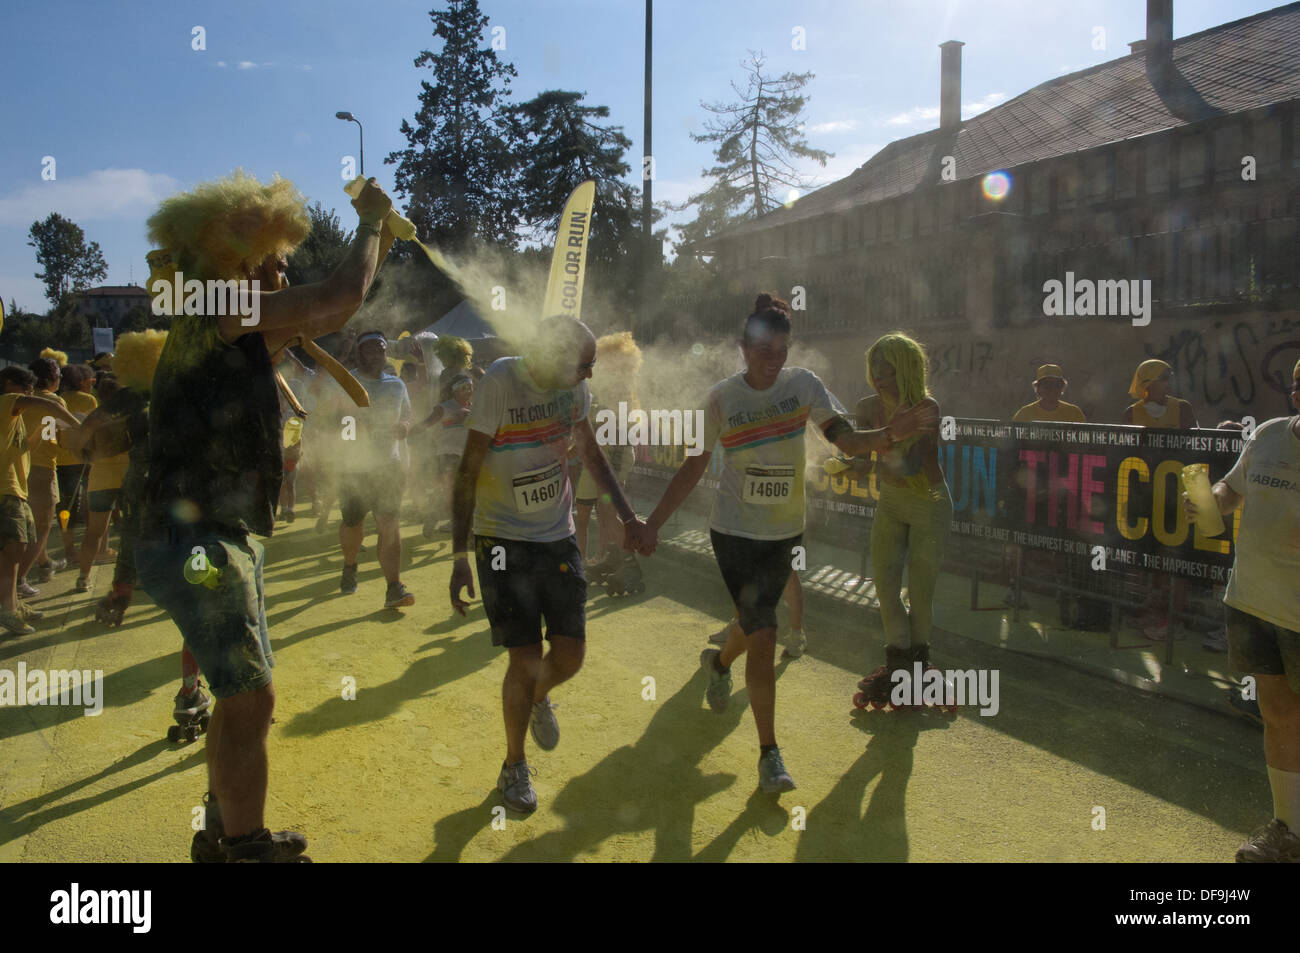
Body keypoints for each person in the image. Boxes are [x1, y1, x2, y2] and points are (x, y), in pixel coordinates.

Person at [134, 170, 396, 862]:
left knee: (235, 693)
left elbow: (314, 318)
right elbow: (340, 299)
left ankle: (224, 826)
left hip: (201, 534)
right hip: (201, 536)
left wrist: (371, 251)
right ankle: (245, 848)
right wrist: (372, 223)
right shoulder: (222, 303)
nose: (286, 270)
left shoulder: (217, 319)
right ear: (240, 261)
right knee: (251, 698)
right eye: (277, 259)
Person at [640, 308, 936, 793]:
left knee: (752, 625)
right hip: (734, 532)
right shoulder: (721, 398)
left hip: (783, 534)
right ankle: (769, 754)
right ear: (743, 350)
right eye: (763, 353)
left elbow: (845, 441)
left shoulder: (803, 385)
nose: (774, 362)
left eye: (781, 352)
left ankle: (716, 664)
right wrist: (651, 524)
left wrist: (888, 435)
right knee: (764, 631)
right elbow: (694, 466)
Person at [449, 314, 649, 815]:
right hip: (502, 542)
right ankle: (514, 765)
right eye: (583, 366)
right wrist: (458, 556)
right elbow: (467, 470)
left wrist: (628, 515)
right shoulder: (499, 382)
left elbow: (592, 452)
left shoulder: (573, 392)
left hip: (557, 538)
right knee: (524, 659)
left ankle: (539, 696)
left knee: (570, 656)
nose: (588, 377)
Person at [1184, 358, 1300, 862]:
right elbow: (1233, 490)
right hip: (1253, 600)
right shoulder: (1271, 435)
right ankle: (1289, 829)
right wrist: (1210, 499)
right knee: (1278, 715)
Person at [851, 333, 953, 713]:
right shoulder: (865, 407)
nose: (880, 378)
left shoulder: (927, 407)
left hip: (930, 502)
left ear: (908, 369)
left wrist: (879, 442)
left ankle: (919, 672)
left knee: (920, 594)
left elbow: (911, 465)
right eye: (875, 369)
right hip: (891, 502)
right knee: (885, 586)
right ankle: (898, 670)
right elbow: (862, 465)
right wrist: (849, 460)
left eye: (888, 370)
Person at [332, 330, 415, 607]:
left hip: (387, 467)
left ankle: (394, 587)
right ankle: (350, 564)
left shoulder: (396, 385)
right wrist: (356, 428)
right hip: (354, 468)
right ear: (359, 352)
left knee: (389, 524)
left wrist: (404, 425)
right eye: (369, 349)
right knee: (353, 524)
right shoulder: (347, 383)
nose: (376, 354)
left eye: (380, 349)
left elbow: (407, 413)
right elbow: (333, 425)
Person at [0, 366, 79, 635]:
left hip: (17, 487)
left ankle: (12, 603)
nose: (29, 392)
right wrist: (78, 424)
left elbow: (27, 448)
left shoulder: (15, 416)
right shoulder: (7, 401)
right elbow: (43, 403)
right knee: (15, 548)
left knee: (17, 547)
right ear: (9, 384)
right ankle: (8, 608)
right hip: (6, 488)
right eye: (25, 387)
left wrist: (46, 429)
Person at [18, 357, 69, 592]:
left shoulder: (20, 400)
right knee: (41, 527)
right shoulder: (54, 401)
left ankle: (45, 563)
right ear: (52, 378)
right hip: (42, 468)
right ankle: (19, 580)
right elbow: (57, 436)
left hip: (18, 467)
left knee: (29, 525)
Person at [410, 370, 472, 535]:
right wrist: (409, 432)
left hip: (467, 455)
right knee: (450, 490)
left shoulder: (474, 408)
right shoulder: (443, 408)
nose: (468, 391)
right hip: (447, 455)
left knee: (463, 492)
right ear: (455, 390)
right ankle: (439, 518)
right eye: (464, 387)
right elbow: (426, 423)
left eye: (470, 387)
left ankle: (447, 520)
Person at [55, 364, 97, 565]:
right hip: (85, 460)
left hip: (60, 460)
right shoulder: (88, 400)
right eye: (90, 381)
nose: (92, 385)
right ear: (82, 381)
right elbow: (94, 430)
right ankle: (89, 548)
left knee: (66, 508)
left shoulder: (58, 400)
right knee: (89, 504)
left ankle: (69, 550)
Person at [1123, 358, 1198, 428]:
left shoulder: (1182, 408)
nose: (1170, 382)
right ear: (1149, 383)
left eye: (1170, 377)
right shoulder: (1132, 413)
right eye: (1165, 378)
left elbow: (1194, 439)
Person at [1012, 364, 1087, 423]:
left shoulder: (1074, 413)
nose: (1052, 389)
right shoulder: (1024, 414)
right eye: (1047, 384)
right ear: (1037, 388)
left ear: (1062, 387)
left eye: (1057, 385)